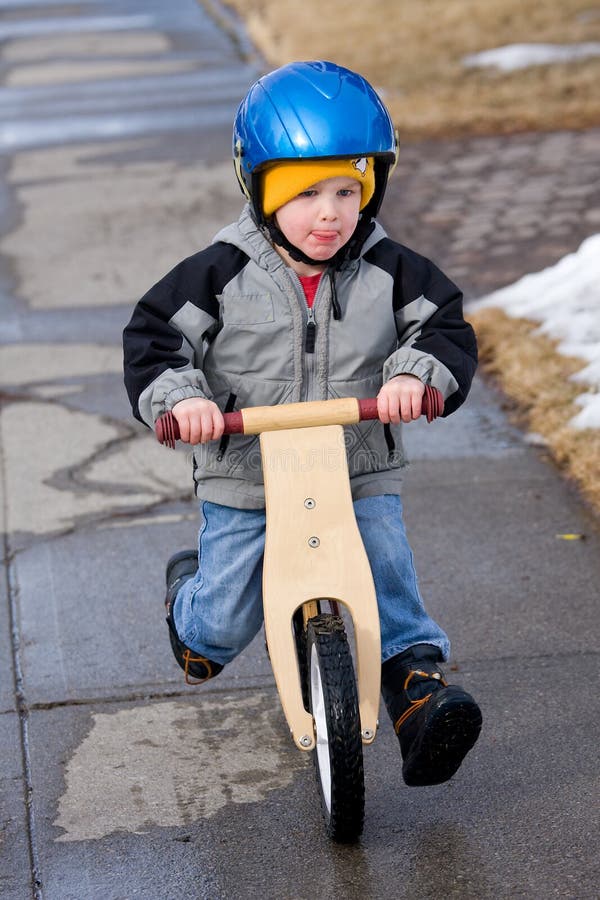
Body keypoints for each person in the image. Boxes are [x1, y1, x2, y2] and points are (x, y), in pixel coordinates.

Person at [123, 60, 482, 787]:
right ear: (260, 191)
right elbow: (155, 340)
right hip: (246, 473)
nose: (330, 214)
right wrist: (184, 399)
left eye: (348, 190)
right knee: (218, 631)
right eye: (306, 193)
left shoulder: (391, 269)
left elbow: (444, 327)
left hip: (358, 465)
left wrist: (415, 375)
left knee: (386, 569)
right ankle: (189, 602)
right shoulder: (218, 274)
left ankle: (417, 693)